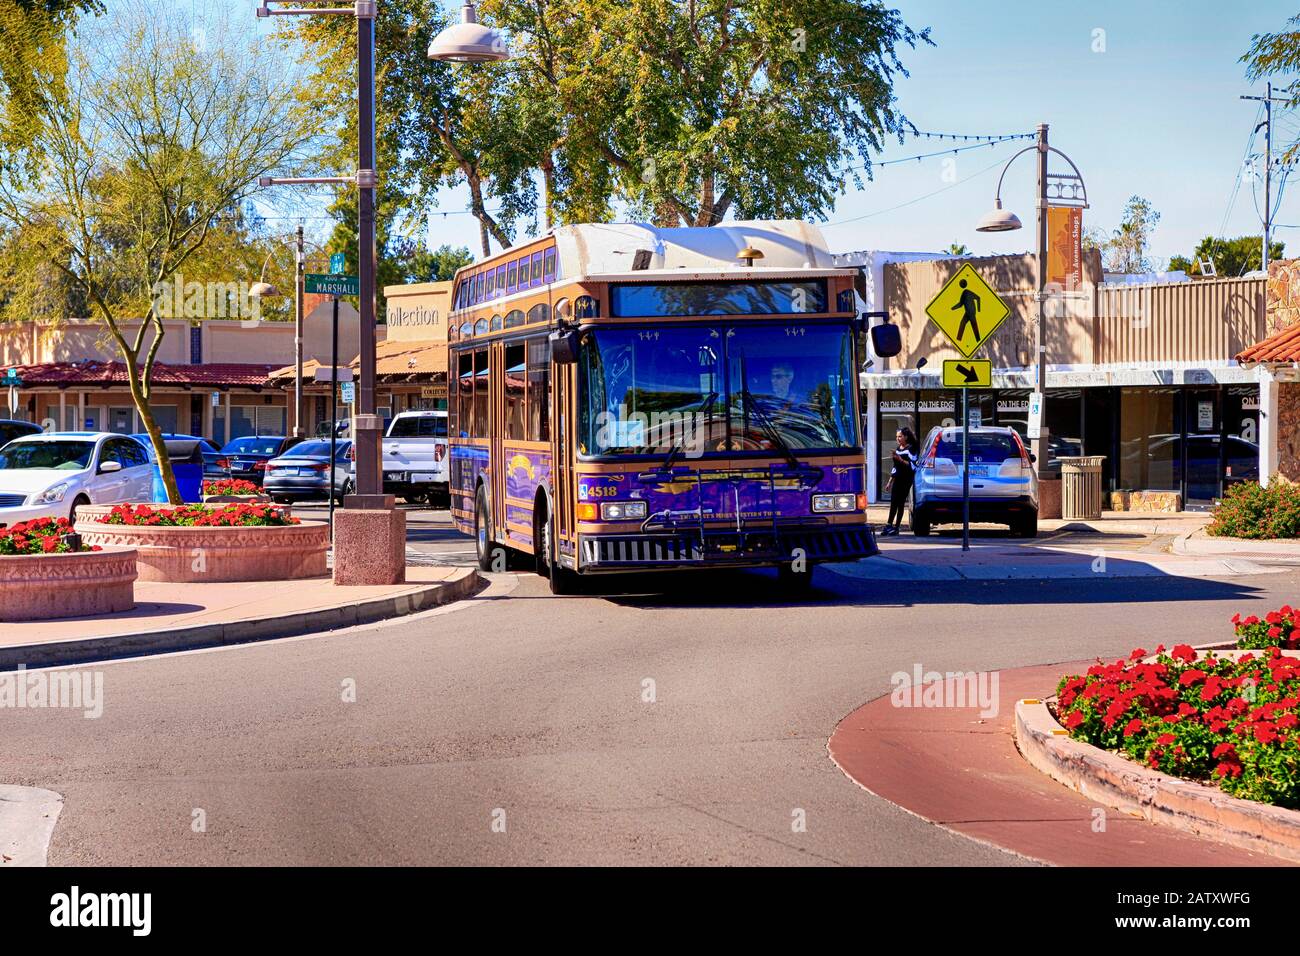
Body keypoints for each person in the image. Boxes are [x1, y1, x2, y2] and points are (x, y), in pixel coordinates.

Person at [881, 427, 917, 536]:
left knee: (900, 503)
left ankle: (896, 527)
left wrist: (900, 459)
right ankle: (888, 525)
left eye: (900, 436)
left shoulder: (911, 448)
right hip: (898, 479)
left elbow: (913, 465)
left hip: (906, 479)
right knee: (893, 502)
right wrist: (889, 482)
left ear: (906, 437)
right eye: (897, 437)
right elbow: (895, 467)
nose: (898, 438)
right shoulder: (898, 449)